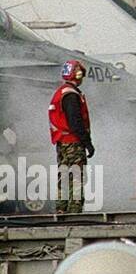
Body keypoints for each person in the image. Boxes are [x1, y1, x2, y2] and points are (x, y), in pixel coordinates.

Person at [49, 59, 95, 214]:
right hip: (73, 143)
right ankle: (74, 212)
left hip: (62, 143)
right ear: (78, 74)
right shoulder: (71, 95)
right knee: (76, 177)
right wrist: (87, 142)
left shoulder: (61, 92)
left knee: (63, 176)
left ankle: (61, 209)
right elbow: (75, 121)